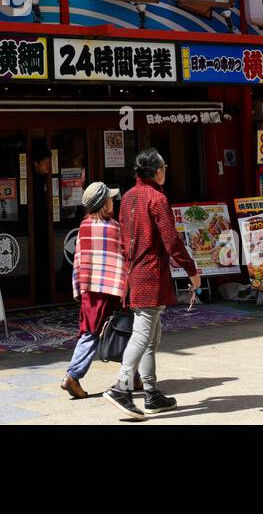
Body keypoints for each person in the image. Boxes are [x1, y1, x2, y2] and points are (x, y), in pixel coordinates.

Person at [104, 148, 201, 419]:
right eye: (165, 167)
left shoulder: (129, 198)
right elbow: (171, 241)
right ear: (157, 171)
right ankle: (121, 388)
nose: (166, 171)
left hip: (135, 272)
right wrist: (192, 270)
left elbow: (125, 240)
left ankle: (151, 393)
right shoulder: (157, 199)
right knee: (143, 333)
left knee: (150, 336)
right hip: (152, 275)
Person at [61, 182, 124, 399]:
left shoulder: (85, 226)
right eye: (110, 199)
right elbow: (121, 257)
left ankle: (132, 374)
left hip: (89, 287)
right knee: (115, 331)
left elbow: (80, 260)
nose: (113, 201)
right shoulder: (114, 227)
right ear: (102, 204)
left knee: (92, 330)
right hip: (108, 289)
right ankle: (73, 374)